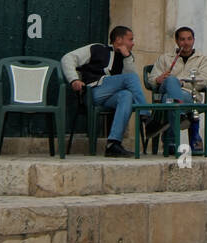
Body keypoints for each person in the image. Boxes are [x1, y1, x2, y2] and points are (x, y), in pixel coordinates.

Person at [61, 25, 150, 157]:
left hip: (110, 97)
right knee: (130, 79)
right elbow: (67, 58)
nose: (133, 43)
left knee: (127, 95)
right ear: (119, 40)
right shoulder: (97, 48)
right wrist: (74, 79)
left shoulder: (127, 57)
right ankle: (147, 116)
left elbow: (131, 84)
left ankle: (113, 144)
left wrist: (127, 57)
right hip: (92, 93)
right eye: (130, 39)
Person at [145, 26, 207, 153]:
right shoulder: (165, 58)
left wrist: (180, 83)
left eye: (189, 39)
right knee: (170, 80)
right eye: (182, 39)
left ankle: (171, 142)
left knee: (169, 100)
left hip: (190, 96)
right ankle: (180, 115)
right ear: (176, 41)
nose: (186, 43)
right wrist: (158, 79)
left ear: (194, 40)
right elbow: (152, 79)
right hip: (166, 89)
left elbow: (203, 81)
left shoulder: (203, 59)